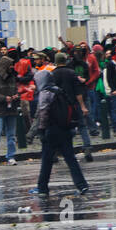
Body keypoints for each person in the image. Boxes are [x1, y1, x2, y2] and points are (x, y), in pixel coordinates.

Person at [28, 53, 89, 197]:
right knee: (70, 158)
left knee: (47, 160)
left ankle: (42, 188)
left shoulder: (45, 93)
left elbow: (42, 113)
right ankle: (82, 185)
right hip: (65, 129)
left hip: (51, 130)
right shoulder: (57, 90)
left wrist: (39, 131)